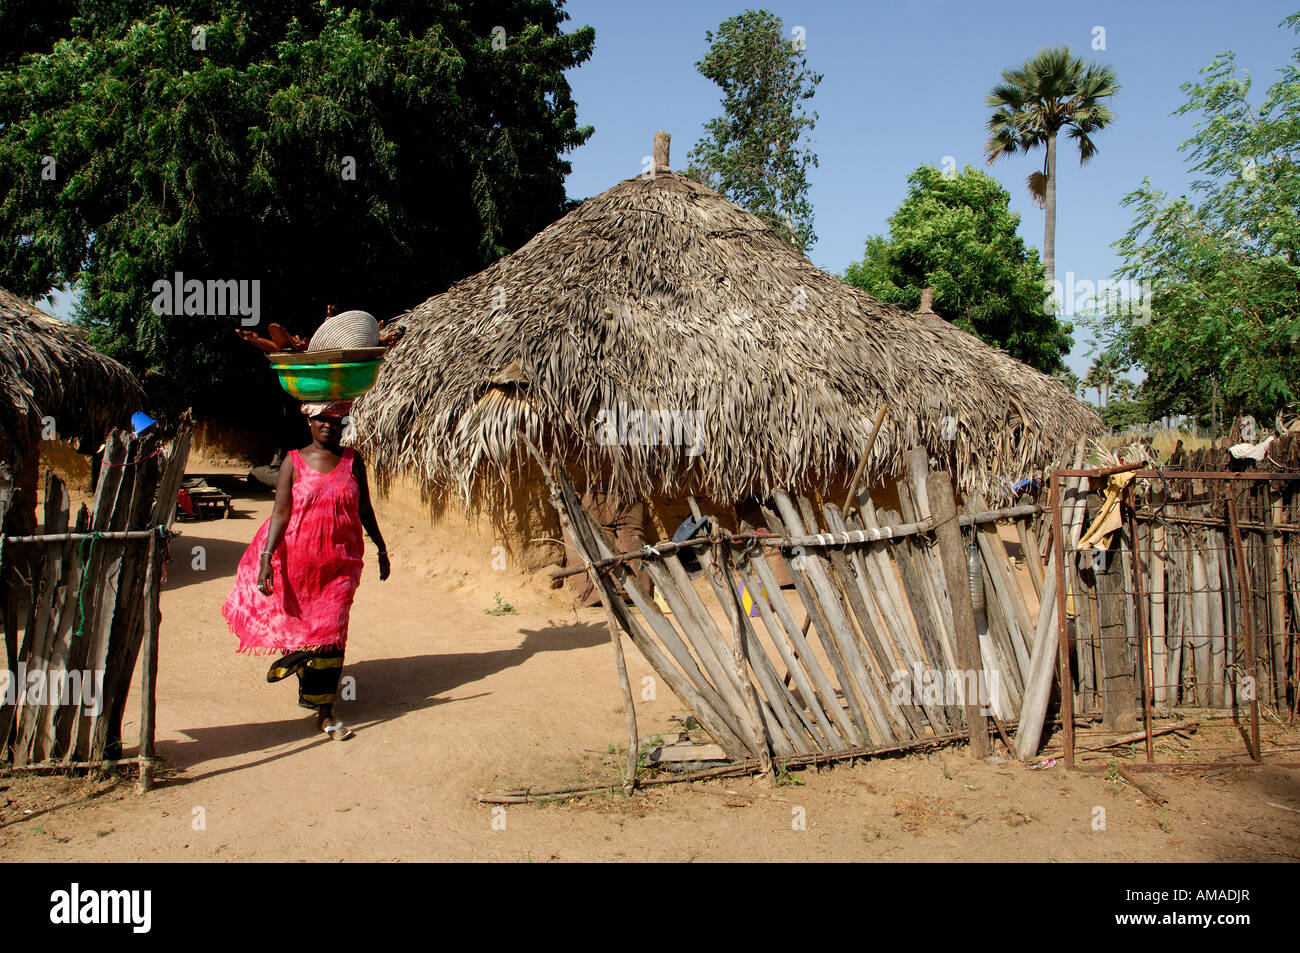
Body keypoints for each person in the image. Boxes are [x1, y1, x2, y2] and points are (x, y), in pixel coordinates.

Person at [222, 399, 390, 739]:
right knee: (302, 629)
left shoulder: (353, 461)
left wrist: (381, 546)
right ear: (309, 423)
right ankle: (300, 658)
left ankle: (326, 713)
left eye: (335, 419)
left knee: (333, 631)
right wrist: (267, 557)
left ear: (343, 424)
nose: (328, 425)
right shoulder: (293, 461)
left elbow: (365, 507)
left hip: (341, 563)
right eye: (321, 419)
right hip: (298, 561)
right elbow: (281, 512)